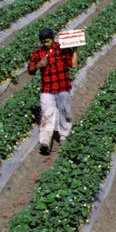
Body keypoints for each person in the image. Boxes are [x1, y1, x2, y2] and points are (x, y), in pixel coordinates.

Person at [27, 27, 77, 155]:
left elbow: (73, 64)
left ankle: (64, 136)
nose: (45, 43)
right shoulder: (38, 52)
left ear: (53, 38)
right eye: (43, 41)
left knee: (64, 112)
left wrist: (75, 50)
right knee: (47, 114)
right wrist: (39, 65)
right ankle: (45, 142)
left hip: (62, 86)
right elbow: (30, 71)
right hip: (47, 88)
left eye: (47, 41)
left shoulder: (62, 49)